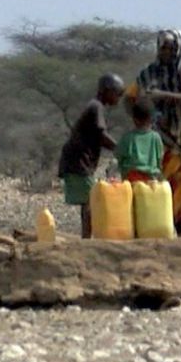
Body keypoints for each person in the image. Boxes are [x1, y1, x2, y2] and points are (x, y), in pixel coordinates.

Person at [125, 29, 181, 235]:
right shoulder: (149, 73)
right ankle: (172, 228)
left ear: (179, 48)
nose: (166, 52)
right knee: (167, 179)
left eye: (171, 48)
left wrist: (162, 95)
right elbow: (130, 98)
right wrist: (143, 115)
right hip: (166, 136)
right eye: (163, 47)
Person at [57, 73, 123, 238]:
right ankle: (86, 241)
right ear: (107, 91)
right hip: (78, 161)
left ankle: (86, 238)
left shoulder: (95, 106)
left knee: (89, 201)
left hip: (78, 161)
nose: (118, 98)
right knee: (92, 201)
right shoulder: (96, 107)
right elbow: (101, 135)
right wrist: (122, 149)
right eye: (117, 93)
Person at [116, 96, 163, 183]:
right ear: (151, 119)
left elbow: (118, 158)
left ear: (134, 119)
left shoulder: (127, 138)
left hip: (132, 181)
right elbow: (159, 161)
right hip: (151, 181)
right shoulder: (156, 138)